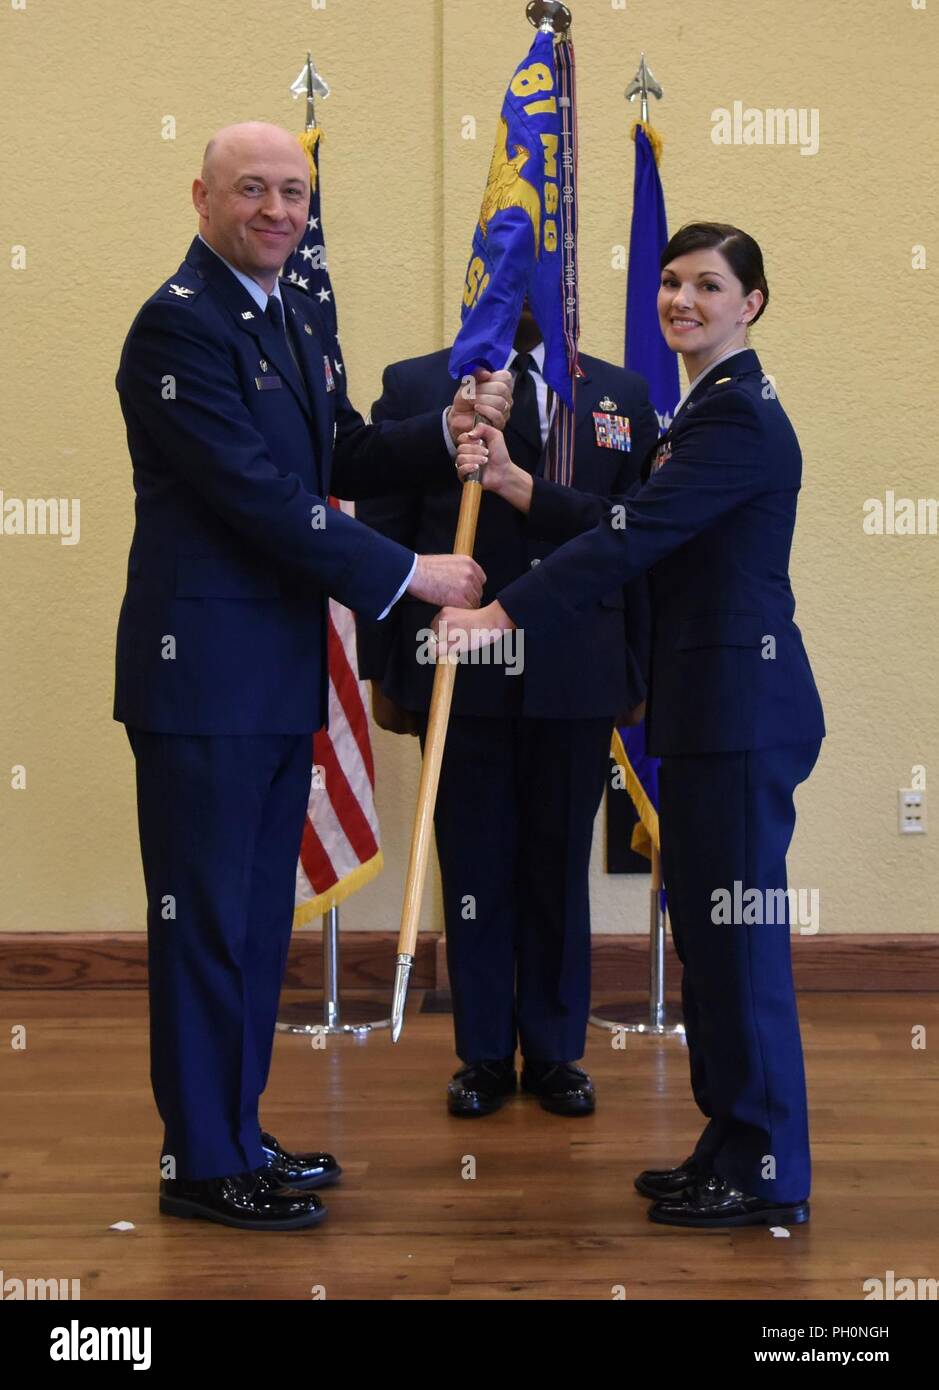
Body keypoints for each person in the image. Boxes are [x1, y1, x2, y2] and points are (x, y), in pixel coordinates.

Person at [114, 121, 512, 1231]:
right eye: (254, 190)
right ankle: (201, 1161)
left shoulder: (295, 312)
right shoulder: (175, 329)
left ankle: (233, 1130)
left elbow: (335, 450)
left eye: (294, 191)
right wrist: (412, 574)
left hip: (275, 672)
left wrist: (444, 431)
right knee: (205, 922)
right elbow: (257, 496)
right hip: (202, 681)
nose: (279, 210)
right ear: (201, 196)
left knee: (249, 923)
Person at [435, 223, 826, 1229]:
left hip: (740, 713)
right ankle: (732, 1139)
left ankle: (767, 1161)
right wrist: (525, 488)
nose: (682, 300)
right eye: (669, 281)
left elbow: (637, 537)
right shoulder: (706, 410)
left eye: (708, 284)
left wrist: (499, 614)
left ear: (753, 303)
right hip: (711, 712)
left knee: (736, 943)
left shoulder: (736, 417)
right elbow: (636, 521)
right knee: (706, 935)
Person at [356, 302, 658, 1117]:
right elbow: (383, 529)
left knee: (557, 861)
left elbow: (635, 538)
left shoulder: (619, 394)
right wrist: (388, 672)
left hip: (575, 665)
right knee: (475, 862)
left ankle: (555, 1051)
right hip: (460, 666)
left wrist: (636, 665)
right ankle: (484, 1051)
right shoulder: (419, 384)